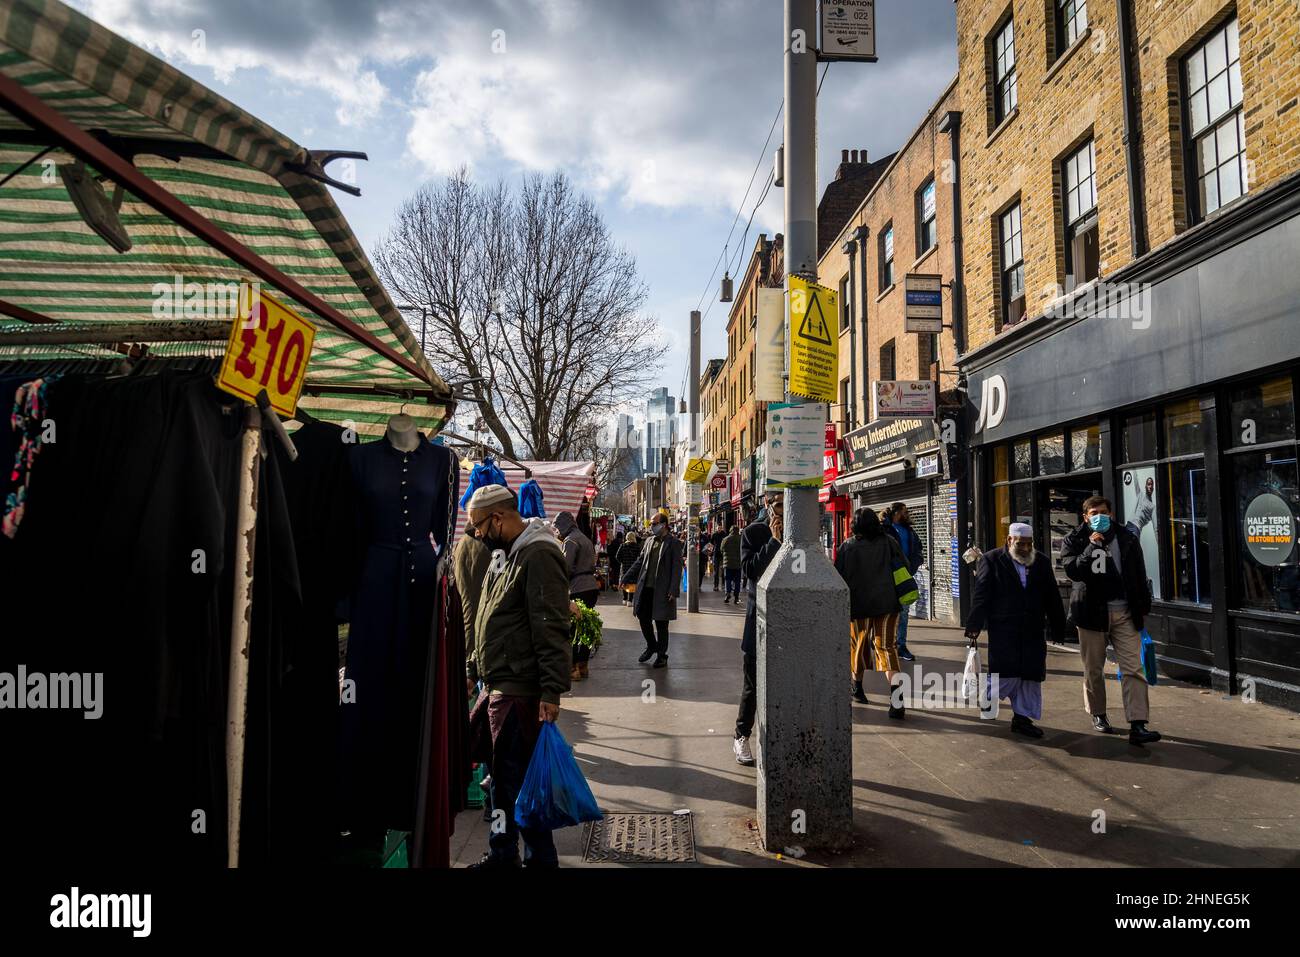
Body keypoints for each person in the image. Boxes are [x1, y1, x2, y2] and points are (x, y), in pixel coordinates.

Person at [464, 484, 572, 869]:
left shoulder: (538, 554)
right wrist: (474, 668)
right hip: (499, 686)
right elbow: (490, 618)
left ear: (499, 517)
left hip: (519, 692)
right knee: (504, 782)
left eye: (478, 525)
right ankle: (509, 853)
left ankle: (523, 857)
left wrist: (551, 691)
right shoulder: (507, 554)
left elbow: (550, 625)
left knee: (512, 784)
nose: (475, 533)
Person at [1061, 495, 1162, 746]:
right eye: (1094, 513)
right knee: (1093, 669)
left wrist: (1143, 604)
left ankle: (1138, 723)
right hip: (1091, 613)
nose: (1099, 517)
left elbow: (1138, 572)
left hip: (1125, 612)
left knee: (1133, 668)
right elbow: (1074, 571)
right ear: (1085, 517)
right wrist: (1091, 547)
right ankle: (1098, 713)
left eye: (1104, 512)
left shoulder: (1127, 537)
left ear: (1112, 514)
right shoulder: (1074, 539)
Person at [964, 523, 1067, 738]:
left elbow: (1052, 597)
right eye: (1021, 544)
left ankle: (1022, 719)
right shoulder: (991, 560)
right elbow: (981, 594)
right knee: (1005, 673)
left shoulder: (1041, 562)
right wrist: (974, 625)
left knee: (1029, 677)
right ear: (1009, 540)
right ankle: (988, 701)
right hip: (1004, 629)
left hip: (1032, 630)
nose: (1025, 548)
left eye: (1029, 544)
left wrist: (1059, 627)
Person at [834, 507, 908, 718]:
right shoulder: (889, 542)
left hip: (858, 606)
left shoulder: (848, 547)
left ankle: (857, 687)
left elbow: (838, 578)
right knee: (887, 648)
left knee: (858, 645)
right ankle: (897, 699)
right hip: (888, 603)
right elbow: (905, 566)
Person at [733, 493, 784, 765]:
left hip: (788, 621)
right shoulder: (754, 533)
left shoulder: (799, 534)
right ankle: (741, 736)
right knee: (752, 685)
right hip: (759, 619)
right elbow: (751, 570)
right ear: (768, 505)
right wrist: (774, 542)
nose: (782, 510)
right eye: (778, 504)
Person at [621, 512, 683, 668]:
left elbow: (677, 568)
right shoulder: (649, 541)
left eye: (654, 523)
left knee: (662, 624)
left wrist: (673, 589)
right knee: (643, 618)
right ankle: (651, 646)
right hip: (646, 588)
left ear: (664, 524)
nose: (652, 526)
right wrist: (625, 577)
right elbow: (639, 562)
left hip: (662, 589)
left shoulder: (673, 543)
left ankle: (662, 655)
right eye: (651, 524)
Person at [555, 510, 599, 683]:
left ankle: (573, 669)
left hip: (577, 588)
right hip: (591, 587)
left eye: (558, 528)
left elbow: (566, 567)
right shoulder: (585, 538)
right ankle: (583, 665)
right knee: (585, 628)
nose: (557, 532)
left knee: (572, 630)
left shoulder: (570, 540)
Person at [883, 502, 922, 662]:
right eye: (905, 511)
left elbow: (918, 549)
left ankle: (901, 646)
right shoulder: (885, 529)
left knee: (904, 612)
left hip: (905, 576)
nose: (907, 514)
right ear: (897, 512)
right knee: (887, 612)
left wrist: (914, 564)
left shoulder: (909, 530)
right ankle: (886, 644)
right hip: (888, 576)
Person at [616, 531, 642, 606]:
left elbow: (617, 556)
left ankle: (624, 598)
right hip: (633, 567)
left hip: (624, 567)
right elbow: (640, 557)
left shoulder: (623, 545)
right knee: (632, 583)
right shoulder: (637, 546)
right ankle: (630, 600)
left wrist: (622, 561)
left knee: (624, 581)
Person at [721, 524, 742, 604]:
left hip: (728, 564)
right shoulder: (741, 539)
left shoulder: (725, 539)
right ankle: (736, 597)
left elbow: (721, 549)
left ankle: (728, 594)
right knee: (737, 581)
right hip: (738, 564)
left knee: (728, 579)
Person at [608, 526, 625, 592]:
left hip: (612, 560)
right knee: (618, 573)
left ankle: (613, 584)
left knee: (613, 572)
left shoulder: (613, 542)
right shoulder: (621, 543)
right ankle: (616, 585)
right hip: (618, 560)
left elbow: (609, 551)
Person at [711, 524, 726, 590]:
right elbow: (711, 544)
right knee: (716, 571)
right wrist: (710, 553)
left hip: (723, 554)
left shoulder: (724, 534)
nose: (719, 529)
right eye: (718, 528)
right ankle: (716, 585)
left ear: (722, 528)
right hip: (716, 554)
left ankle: (723, 584)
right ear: (716, 529)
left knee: (723, 570)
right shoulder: (714, 535)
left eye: (720, 528)